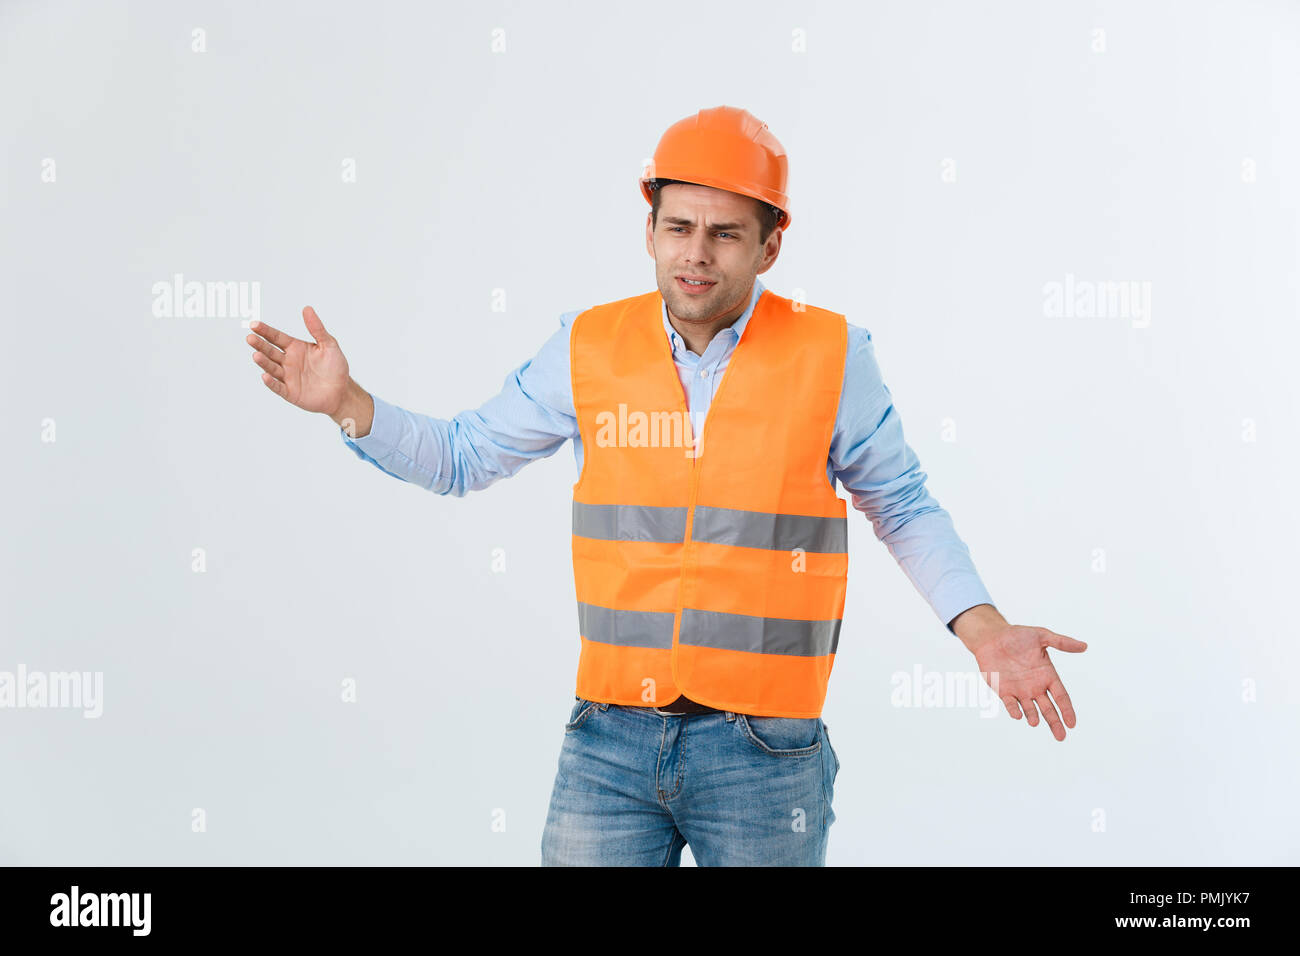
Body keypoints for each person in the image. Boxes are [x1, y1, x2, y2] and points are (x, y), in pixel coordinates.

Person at [246, 106, 1087, 867]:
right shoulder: (587, 347)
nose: (696, 251)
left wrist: (985, 632)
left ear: (770, 245)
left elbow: (901, 505)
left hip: (766, 749)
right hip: (607, 740)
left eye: (725, 233)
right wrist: (349, 407)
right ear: (648, 229)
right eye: (678, 226)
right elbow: (462, 457)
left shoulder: (833, 355)